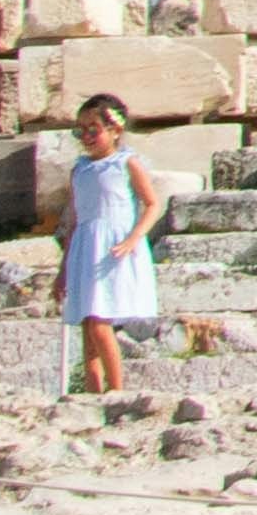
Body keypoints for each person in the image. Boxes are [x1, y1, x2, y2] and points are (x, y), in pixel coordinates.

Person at [59, 95, 168, 395]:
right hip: (85, 247)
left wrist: (133, 238)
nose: (86, 137)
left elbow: (151, 204)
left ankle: (116, 391)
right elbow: (74, 219)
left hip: (112, 249)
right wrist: (63, 269)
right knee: (87, 325)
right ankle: (94, 392)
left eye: (93, 129)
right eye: (79, 131)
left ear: (115, 129)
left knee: (99, 323)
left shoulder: (126, 163)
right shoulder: (79, 169)